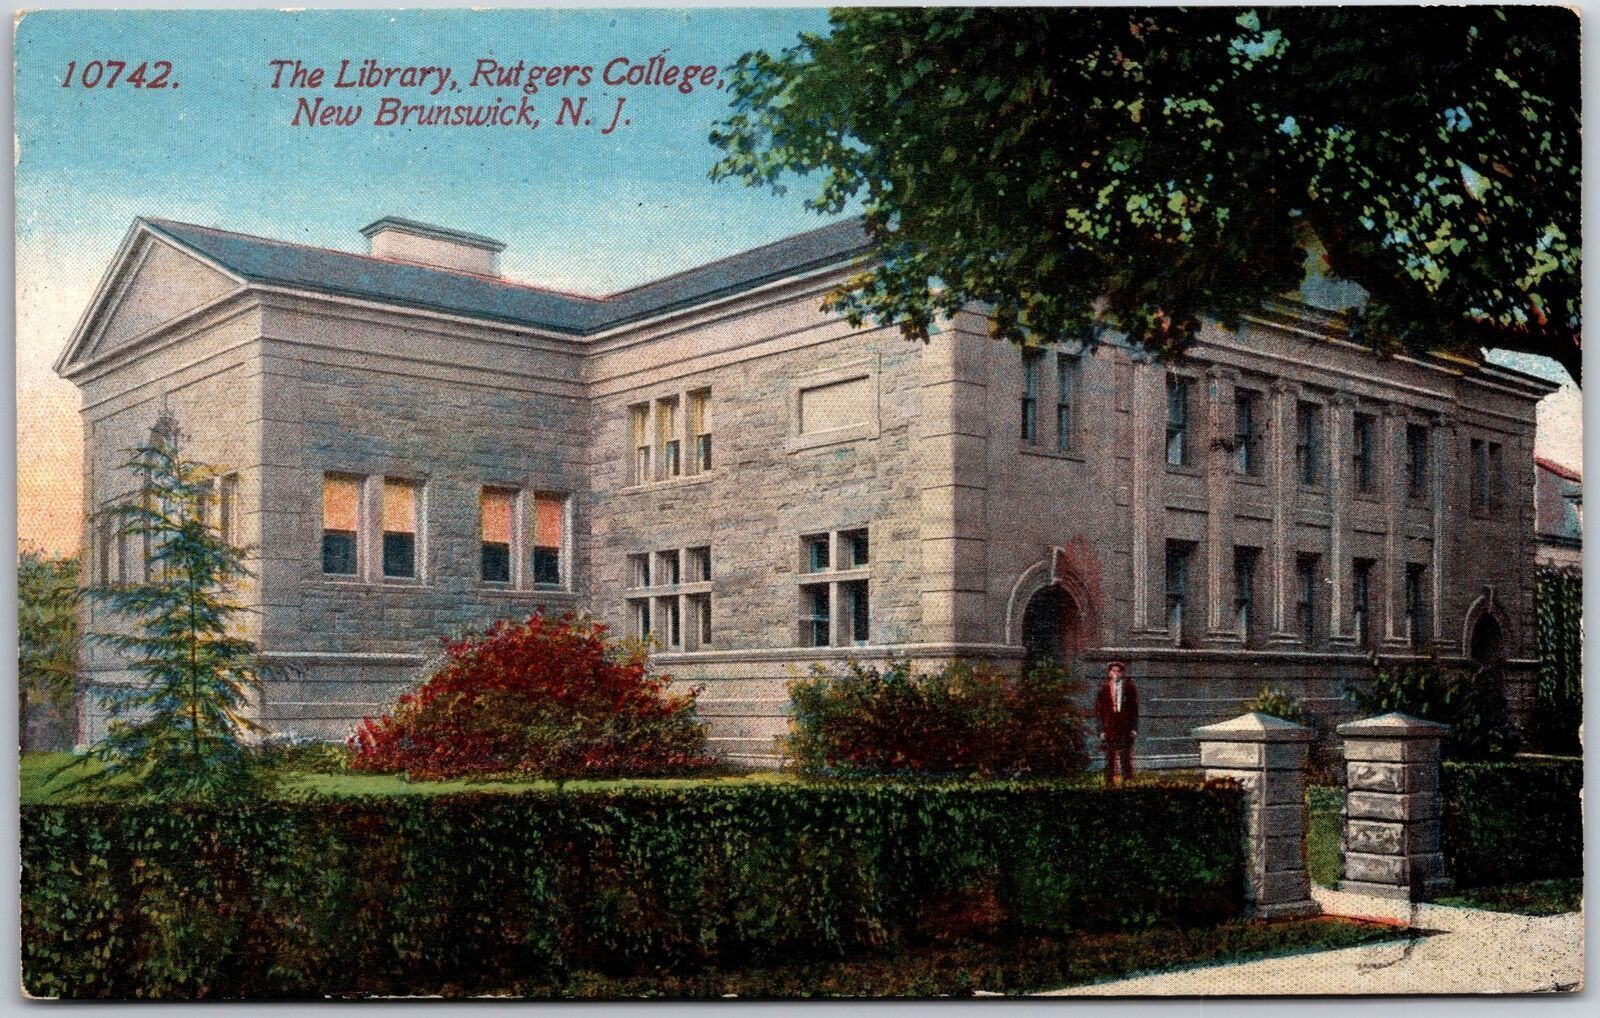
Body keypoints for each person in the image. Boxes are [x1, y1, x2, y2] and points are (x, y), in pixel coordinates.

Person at [1093, 660, 1139, 784]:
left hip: (1124, 724)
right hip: (1110, 724)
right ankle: (1109, 780)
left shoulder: (1129, 687)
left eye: (1119, 671)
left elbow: (1134, 709)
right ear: (1109, 673)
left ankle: (1127, 779)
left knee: (1125, 753)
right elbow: (1099, 711)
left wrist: (1134, 728)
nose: (1116, 674)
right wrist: (1101, 730)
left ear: (1122, 673)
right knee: (1110, 754)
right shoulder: (1104, 688)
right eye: (1114, 671)